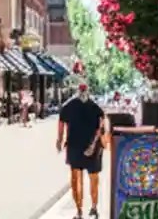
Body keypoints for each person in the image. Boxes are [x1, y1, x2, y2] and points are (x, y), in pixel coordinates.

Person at [58, 83, 106, 219]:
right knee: (89, 178)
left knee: (78, 179)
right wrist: (59, 139)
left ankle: (83, 210)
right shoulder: (95, 107)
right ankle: (91, 208)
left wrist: (59, 140)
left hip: (77, 146)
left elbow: (61, 122)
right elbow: (102, 126)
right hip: (87, 147)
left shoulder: (69, 106)